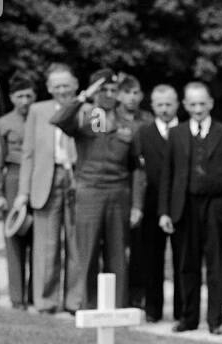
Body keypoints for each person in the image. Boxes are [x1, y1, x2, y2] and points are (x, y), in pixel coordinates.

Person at [53, 69, 144, 309]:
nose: (109, 95)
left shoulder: (129, 125)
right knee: (88, 252)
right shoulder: (84, 118)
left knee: (117, 255)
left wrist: (137, 205)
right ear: (95, 91)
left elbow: (137, 168)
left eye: (114, 90)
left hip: (118, 194)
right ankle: (89, 306)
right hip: (90, 191)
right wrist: (83, 97)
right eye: (104, 90)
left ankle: (117, 307)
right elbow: (59, 119)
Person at [158, 82, 222, 333]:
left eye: (202, 104)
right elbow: (168, 175)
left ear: (210, 104)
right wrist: (165, 211)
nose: (197, 109)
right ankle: (188, 317)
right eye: (192, 104)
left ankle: (215, 320)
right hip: (185, 206)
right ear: (185, 106)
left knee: (216, 265)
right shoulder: (177, 134)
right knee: (186, 264)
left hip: (216, 207)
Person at [16, 63, 80, 313]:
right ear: (49, 88)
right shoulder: (37, 111)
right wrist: (23, 192)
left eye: (66, 85)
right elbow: (28, 153)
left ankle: (75, 301)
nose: (62, 90)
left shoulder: (88, 110)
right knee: (47, 244)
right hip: (47, 179)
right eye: (57, 86)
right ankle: (46, 300)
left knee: (77, 243)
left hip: (76, 178)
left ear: (75, 84)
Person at [132, 84, 180, 322]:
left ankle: (183, 310)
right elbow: (137, 171)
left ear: (177, 104)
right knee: (151, 258)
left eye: (168, 104)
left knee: (182, 258)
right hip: (151, 202)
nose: (164, 109)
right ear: (152, 106)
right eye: (159, 105)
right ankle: (153, 309)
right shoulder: (143, 133)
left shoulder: (185, 131)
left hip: (181, 203)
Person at [0, 73, 35, 310]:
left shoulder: (42, 119)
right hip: (14, 178)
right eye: (20, 96)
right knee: (15, 238)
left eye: (29, 95)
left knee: (38, 239)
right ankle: (17, 297)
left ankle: (35, 294)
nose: (25, 101)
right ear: (12, 98)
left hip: (39, 180)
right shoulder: (3, 123)